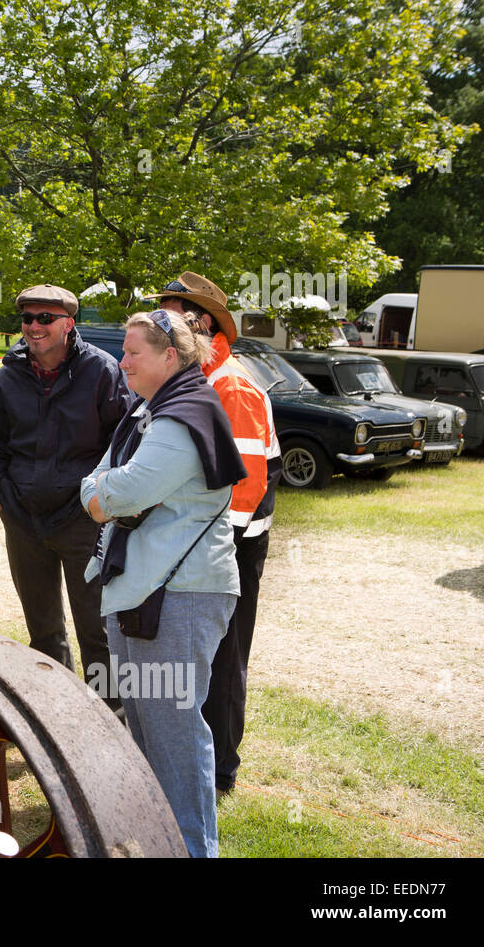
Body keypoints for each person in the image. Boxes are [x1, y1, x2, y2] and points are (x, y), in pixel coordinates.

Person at [80, 309, 246, 857]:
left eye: (132, 352)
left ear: (169, 357)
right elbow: (96, 485)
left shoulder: (180, 417)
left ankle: (193, 851)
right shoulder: (149, 413)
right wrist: (103, 493)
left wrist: (104, 495)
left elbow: (118, 495)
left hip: (181, 593)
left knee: (173, 735)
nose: (121, 361)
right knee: (146, 731)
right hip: (144, 589)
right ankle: (156, 845)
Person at [151, 271, 281, 796]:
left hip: (230, 545)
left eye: (169, 316)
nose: (160, 326)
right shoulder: (195, 378)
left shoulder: (232, 385)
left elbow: (245, 486)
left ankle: (221, 767)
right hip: (201, 541)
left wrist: (205, 549)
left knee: (224, 654)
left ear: (199, 321)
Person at [0, 284, 133, 710]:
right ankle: (54, 716)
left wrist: (101, 502)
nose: (34, 327)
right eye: (28, 318)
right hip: (23, 520)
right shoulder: (10, 374)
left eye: (45, 318)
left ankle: (108, 722)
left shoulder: (102, 371)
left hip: (83, 522)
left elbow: (124, 442)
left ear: (69, 323)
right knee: (43, 631)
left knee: (96, 630)